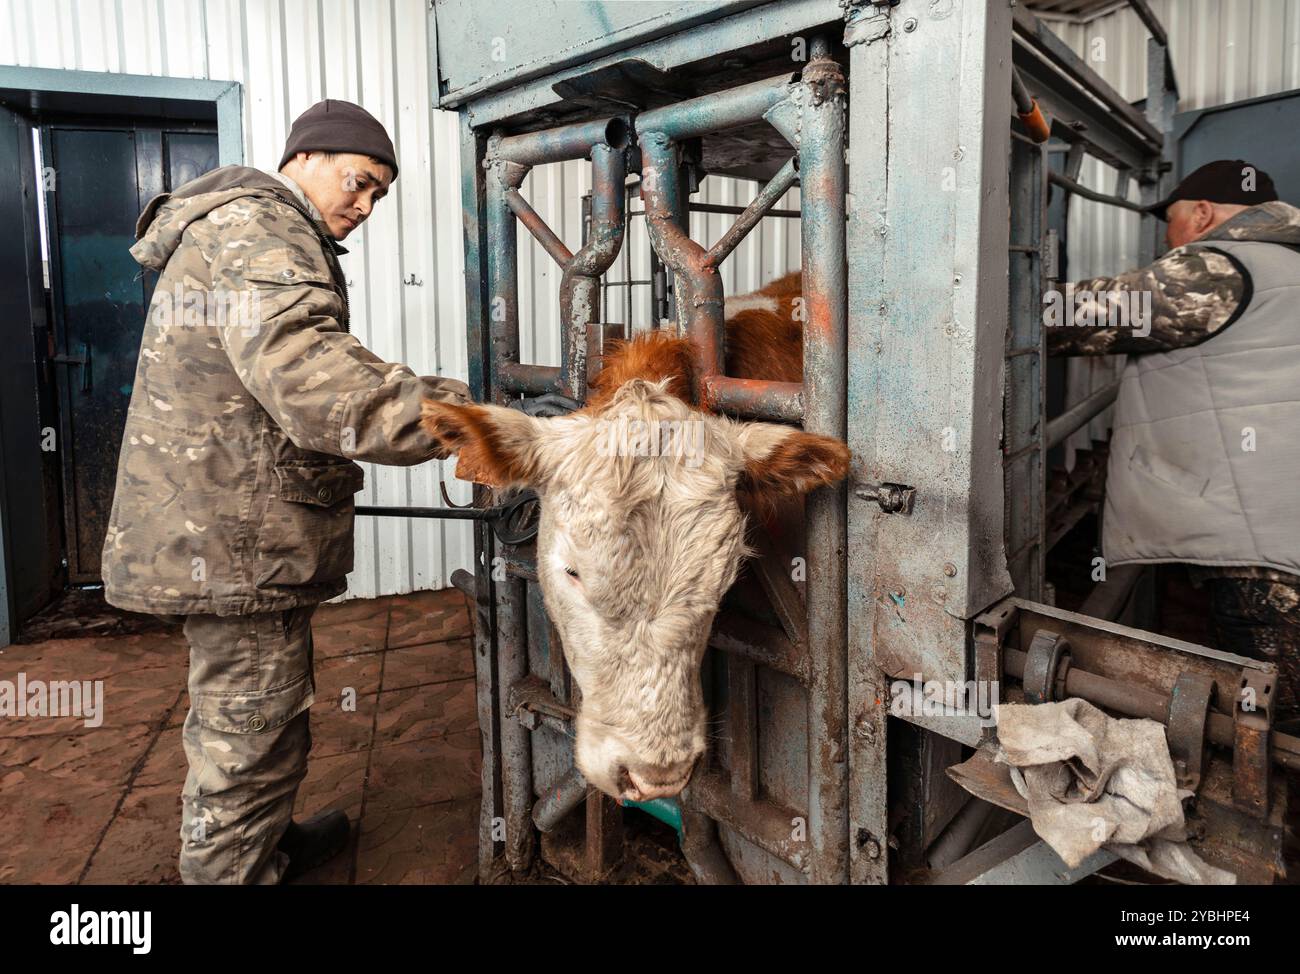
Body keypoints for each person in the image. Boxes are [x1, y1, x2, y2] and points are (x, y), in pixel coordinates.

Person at [102, 99, 472, 883]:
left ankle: (264, 842)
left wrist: (438, 398)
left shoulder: (250, 230)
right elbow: (318, 387)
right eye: (360, 181)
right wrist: (472, 423)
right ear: (305, 157)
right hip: (233, 540)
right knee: (251, 729)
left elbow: (317, 354)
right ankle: (230, 872)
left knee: (259, 713)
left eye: (379, 195)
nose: (366, 206)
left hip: (224, 525)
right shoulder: (261, 232)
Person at [1047, 159, 1300, 734]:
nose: (1169, 250)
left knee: (1268, 730)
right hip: (1278, 529)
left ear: (1204, 213)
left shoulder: (1220, 266)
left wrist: (973, 293)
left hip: (1268, 559)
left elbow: (1064, 318)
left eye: (1174, 230)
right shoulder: (1289, 263)